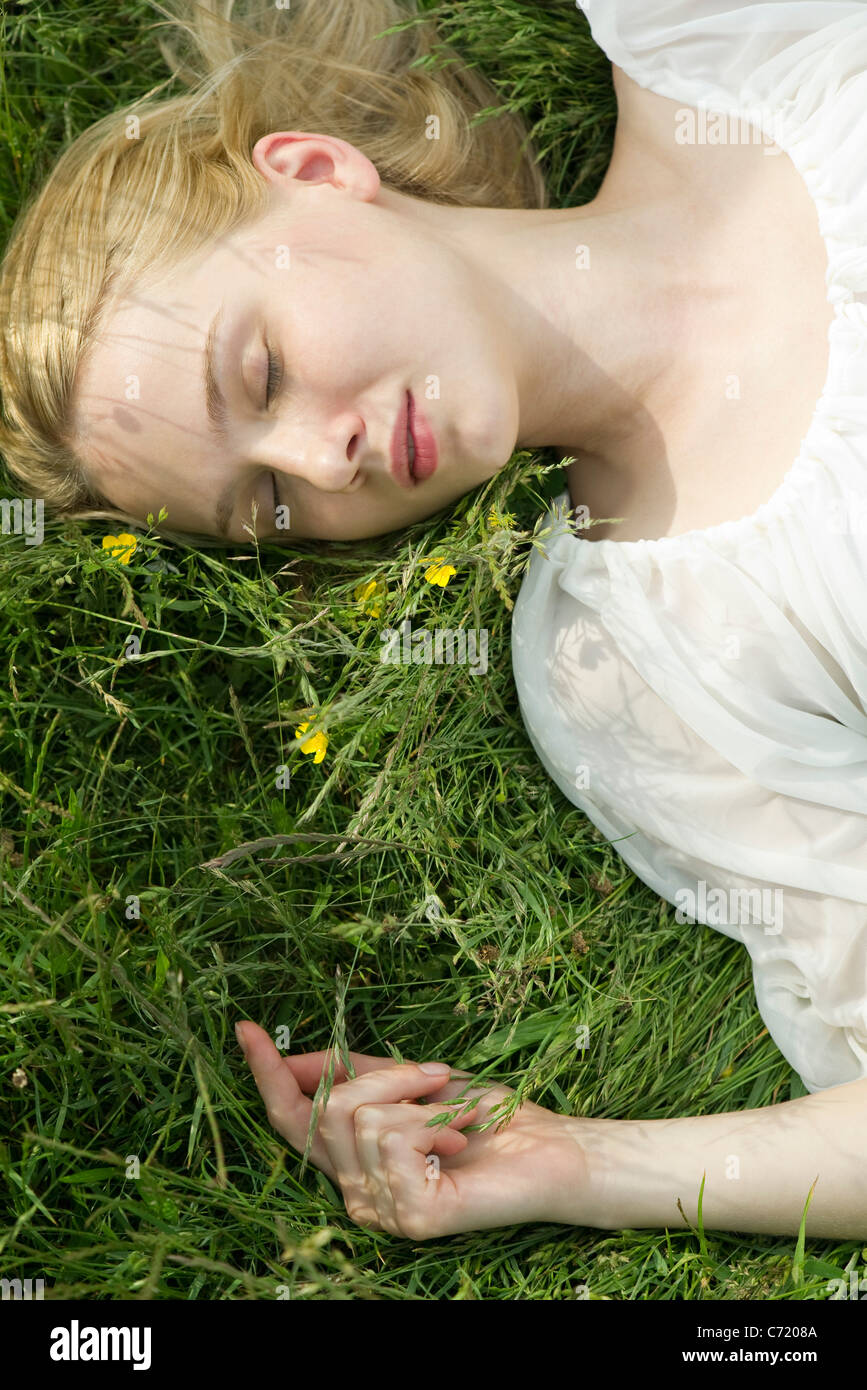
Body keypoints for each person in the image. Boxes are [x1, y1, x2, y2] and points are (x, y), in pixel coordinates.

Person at [3, 0, 867, 1241]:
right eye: (268, 501)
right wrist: (577, 1163)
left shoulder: (706, 27)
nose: (324, 457)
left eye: (262, 372)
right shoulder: (632, 665)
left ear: (315, 171)